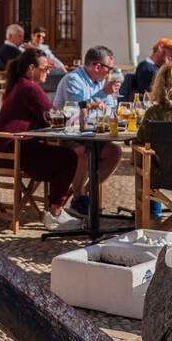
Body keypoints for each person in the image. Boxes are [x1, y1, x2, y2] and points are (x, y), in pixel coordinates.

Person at [0, 48, 79, 230]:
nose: (48, 72)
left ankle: (53, 206)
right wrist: (76, 118)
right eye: (45, 68)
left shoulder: (18, 84)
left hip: (4, 148)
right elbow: (51, 116)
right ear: (31, 68)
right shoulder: (29, 88)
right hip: (14, 151)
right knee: (69, 158)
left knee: (61, 156)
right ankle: (55, 213)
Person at [53, 45, 123, 218]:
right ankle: (79, 199)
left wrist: (106, 97)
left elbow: (110, 111)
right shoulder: (73, 79)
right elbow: (76, 112)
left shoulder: (101, 83)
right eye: (110, 69)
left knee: (115, 152)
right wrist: (102, 95)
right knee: (84, 152)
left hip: (92, 135)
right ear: (98, 67)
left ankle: (84, 193)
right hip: (67, 134)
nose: (110, 73)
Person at [135, 48, 172, 202]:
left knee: (145, 157)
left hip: (159, 177)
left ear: (159, 85)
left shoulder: (152, 114)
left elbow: (139, 141)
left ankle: (153, 210)